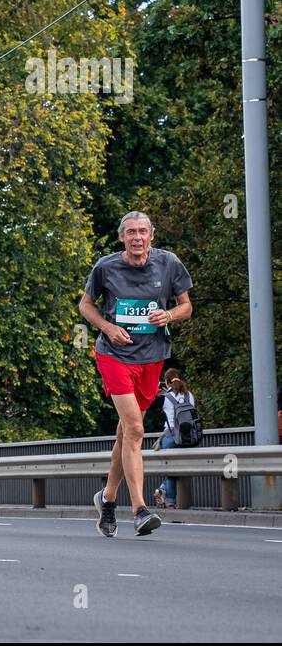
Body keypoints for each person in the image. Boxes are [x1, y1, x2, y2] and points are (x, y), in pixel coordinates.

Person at [79, 211, 193, 538]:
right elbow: (85, 306)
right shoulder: (106, 267)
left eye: (142, 231)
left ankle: (108, 499)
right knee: (136, 428)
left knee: (125, 434)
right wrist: (107, 327)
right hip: (114, 354)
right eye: (131, 232)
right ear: (122, 237)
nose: (137, 238)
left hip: (152, 356)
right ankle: (140, 509)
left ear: (151, 236)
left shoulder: (169, 263)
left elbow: (186, 306)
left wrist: (169, 314)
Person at [153, 369, 196, 510]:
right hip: (188, 436)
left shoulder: (165, 397)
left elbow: (151, 404)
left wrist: (158, 391)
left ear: (166, 382)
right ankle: (165, 492)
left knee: (170, 469)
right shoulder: (189, 395)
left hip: (170, 435)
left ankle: (168, 498)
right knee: (181, 468)